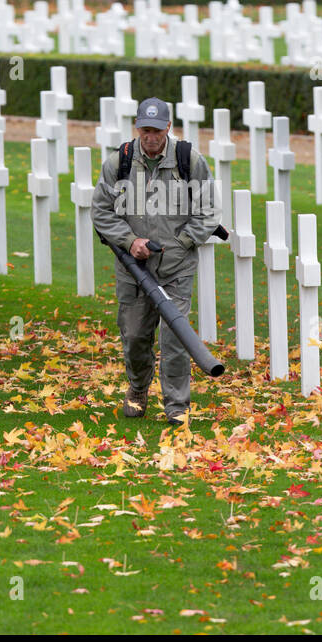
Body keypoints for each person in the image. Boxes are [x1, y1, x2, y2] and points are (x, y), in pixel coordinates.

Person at [91, 97, 221, 425]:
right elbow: (101, 210)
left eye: (156, 130)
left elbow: (208, 211)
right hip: (134, 269)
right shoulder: (118, 163)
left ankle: (177, 404)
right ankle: (137, 388)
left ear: (168, 127)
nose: (150, 137)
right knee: (134, 334)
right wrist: (129, 241)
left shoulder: (188, 160)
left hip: (176, 266)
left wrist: (181, 243)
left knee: (175, 337)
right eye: (144, 130)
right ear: (137, 128)